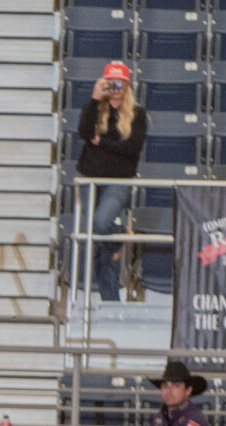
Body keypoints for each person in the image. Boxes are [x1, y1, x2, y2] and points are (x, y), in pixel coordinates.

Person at [77, 60, 147, 303]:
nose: (115, 89)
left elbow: (131, 149)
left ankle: (118, 235)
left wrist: (102, 143)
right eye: (111, 83)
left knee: (101, 222)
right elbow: (84, 132)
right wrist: (95, 99)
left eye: (119, 83)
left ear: (127, 85)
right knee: (97, 240)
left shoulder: (137, 114)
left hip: (119, 179)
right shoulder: (96, 108)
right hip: (91, 177)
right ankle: (109, 300)